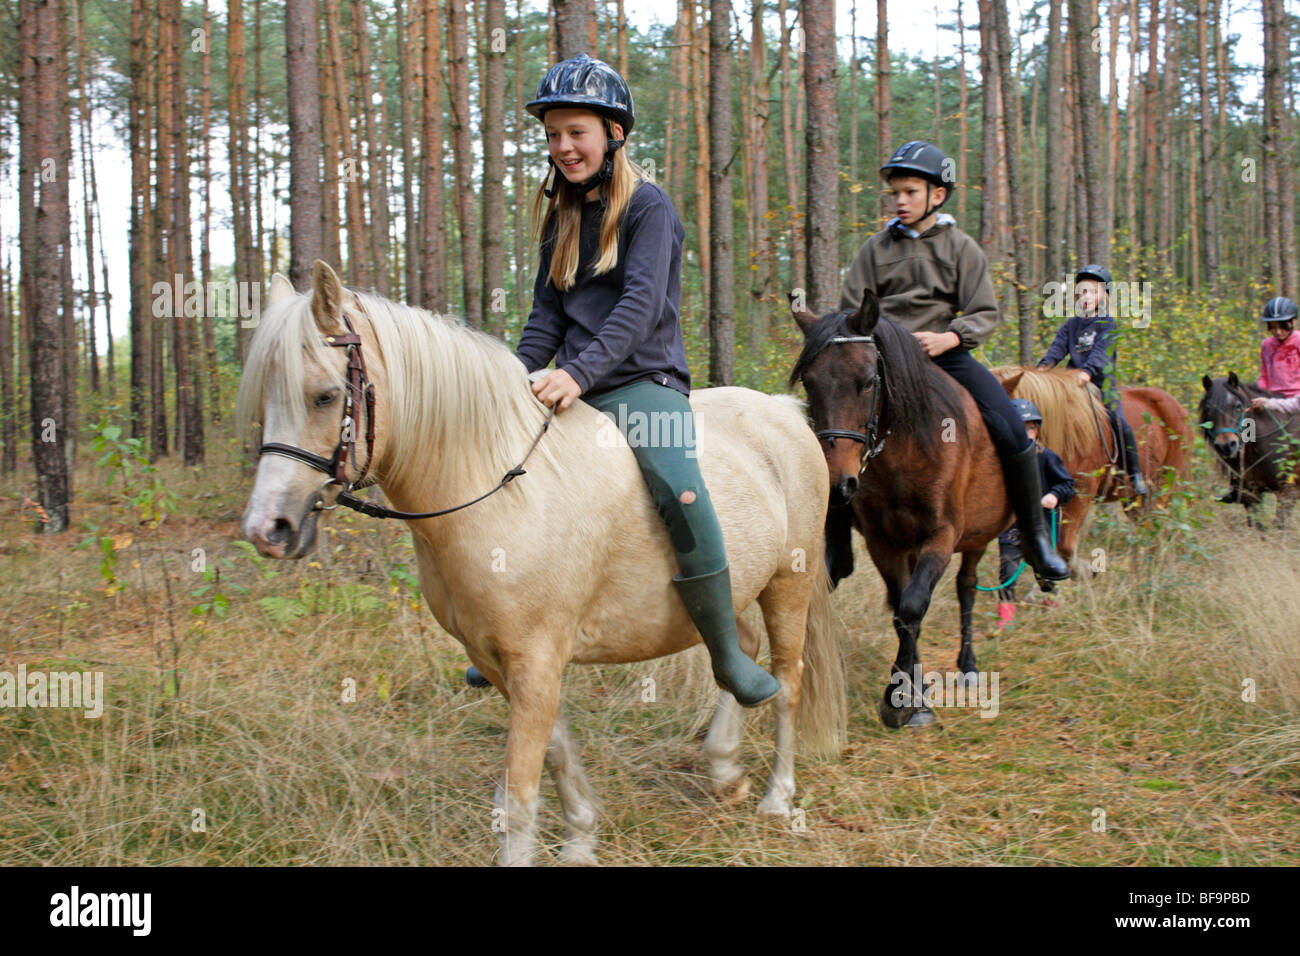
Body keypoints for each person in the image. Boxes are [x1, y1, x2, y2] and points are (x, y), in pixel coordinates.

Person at [467, 53, 780, 706]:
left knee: (682, 492)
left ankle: (726, 651)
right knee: (502, 474)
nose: (562, 147)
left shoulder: (649, 208)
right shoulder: (559, 217)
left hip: (644, 381)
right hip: (572, 383)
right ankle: (502, 626)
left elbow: (640, 309)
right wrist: (516, 379)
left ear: (613, 133)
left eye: (575, 132)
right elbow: (546, 314)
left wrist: (578, 374)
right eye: (552, 134)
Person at [839, 140, 1070, 583]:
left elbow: (984, 311)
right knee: (830, 427)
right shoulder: (875, 249)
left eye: (910, 192)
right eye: (896, 193)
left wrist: (950, 337)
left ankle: (1037, 539)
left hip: (943, 356)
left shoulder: (962, 248)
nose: (900, 201)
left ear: (937, 195)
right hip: (884, 362)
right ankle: (836, 543)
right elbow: (853, 310)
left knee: (1010, 427)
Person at [1037, 264, 1149, 499]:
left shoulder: (1108, 324)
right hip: (1072, 383)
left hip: (1100, 384)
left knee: (1119, 421)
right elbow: (1056, 351)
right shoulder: (1071, 325)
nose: (1085, 297)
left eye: (1091, 292)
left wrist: (1086, 373)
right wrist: (1041, 370)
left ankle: (1134, 473)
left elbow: (1101, 353)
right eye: (1081, 293)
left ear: (1104, 296)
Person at [994, 399, 1074, 631]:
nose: (1026, 433)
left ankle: (1051, 609)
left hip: (1041, 527)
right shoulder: (1003, 461)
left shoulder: (1047, 457)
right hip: (1011, 528)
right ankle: (1005, 623)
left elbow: (1067, 484)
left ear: (1037, 430)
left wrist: (1054, 495)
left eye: (1030, 428)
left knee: (1045, 572)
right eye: (1020, 429)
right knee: (1007, 572)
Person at [1218, 296, 1300, 502]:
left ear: (1292, 323)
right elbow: (1264, 375)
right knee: (1245, 424)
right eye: (1272, 327)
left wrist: (1277, 402)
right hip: (1271, 396)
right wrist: (1255, 395)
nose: (1277, 332)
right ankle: (1240, 480)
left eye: (1282, 326)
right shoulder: (1266, 345)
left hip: (1296, 397)